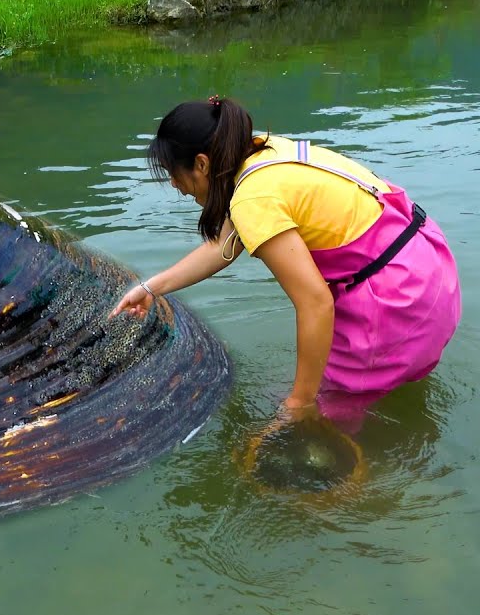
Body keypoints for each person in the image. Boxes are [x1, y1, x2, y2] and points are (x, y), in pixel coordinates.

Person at [112, 95, 461, 427]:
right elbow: (225, 245)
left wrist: (301, 402)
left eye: (175, 174)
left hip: (397, 302)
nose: (176, 185)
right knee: (339, 393)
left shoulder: (253, 198)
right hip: (430, 271)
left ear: (202, 164)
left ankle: (365, 482)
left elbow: (315, 303)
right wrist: (151, 288)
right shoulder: (262, 151)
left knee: (314, 415)